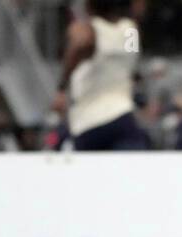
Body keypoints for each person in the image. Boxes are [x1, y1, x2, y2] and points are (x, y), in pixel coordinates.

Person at [54, 0, 149, 150]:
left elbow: (79, 45)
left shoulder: (91, 30)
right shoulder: (131, 30)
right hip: (122, 115)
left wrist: (61, 89)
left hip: (89, 120)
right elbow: (132, 64)